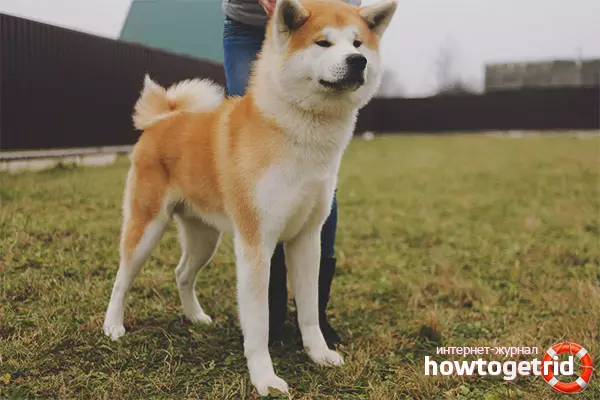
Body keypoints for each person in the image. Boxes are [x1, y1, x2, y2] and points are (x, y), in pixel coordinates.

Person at [221, 0, 360, 349]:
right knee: (255, 164)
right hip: (249, 27)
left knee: (318, 176)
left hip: (317, 28)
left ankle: (314, 314)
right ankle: (270, 308)